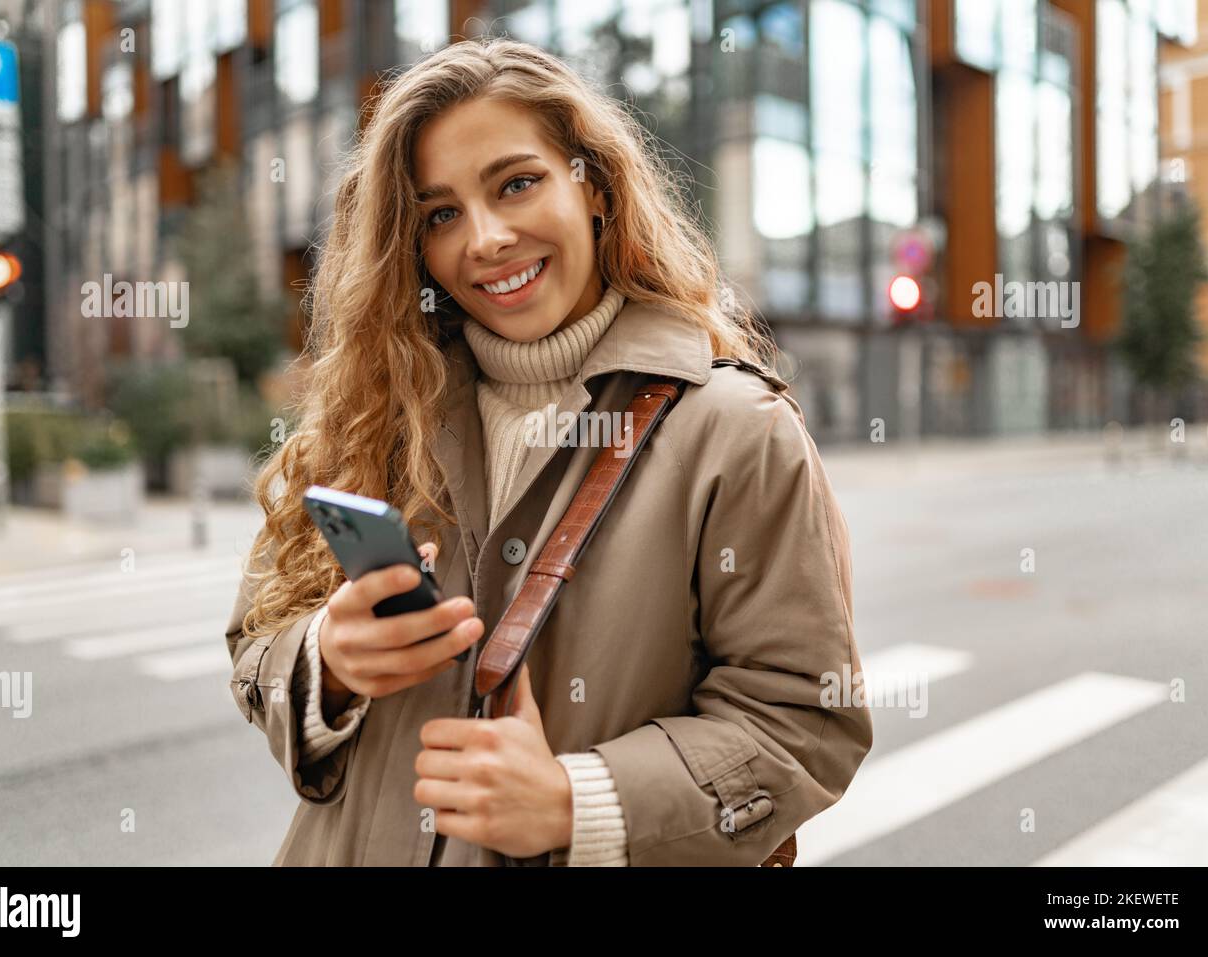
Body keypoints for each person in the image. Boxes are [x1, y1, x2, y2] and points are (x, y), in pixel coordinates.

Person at [225, 36, 872, 866]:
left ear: (594, 187)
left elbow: (806, 721)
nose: (487, 238)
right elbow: (255, 645)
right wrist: (330, 661)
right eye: (441, 214)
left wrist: (580, 802)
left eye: (517, 183)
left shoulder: (735, 430)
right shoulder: (376, 411)